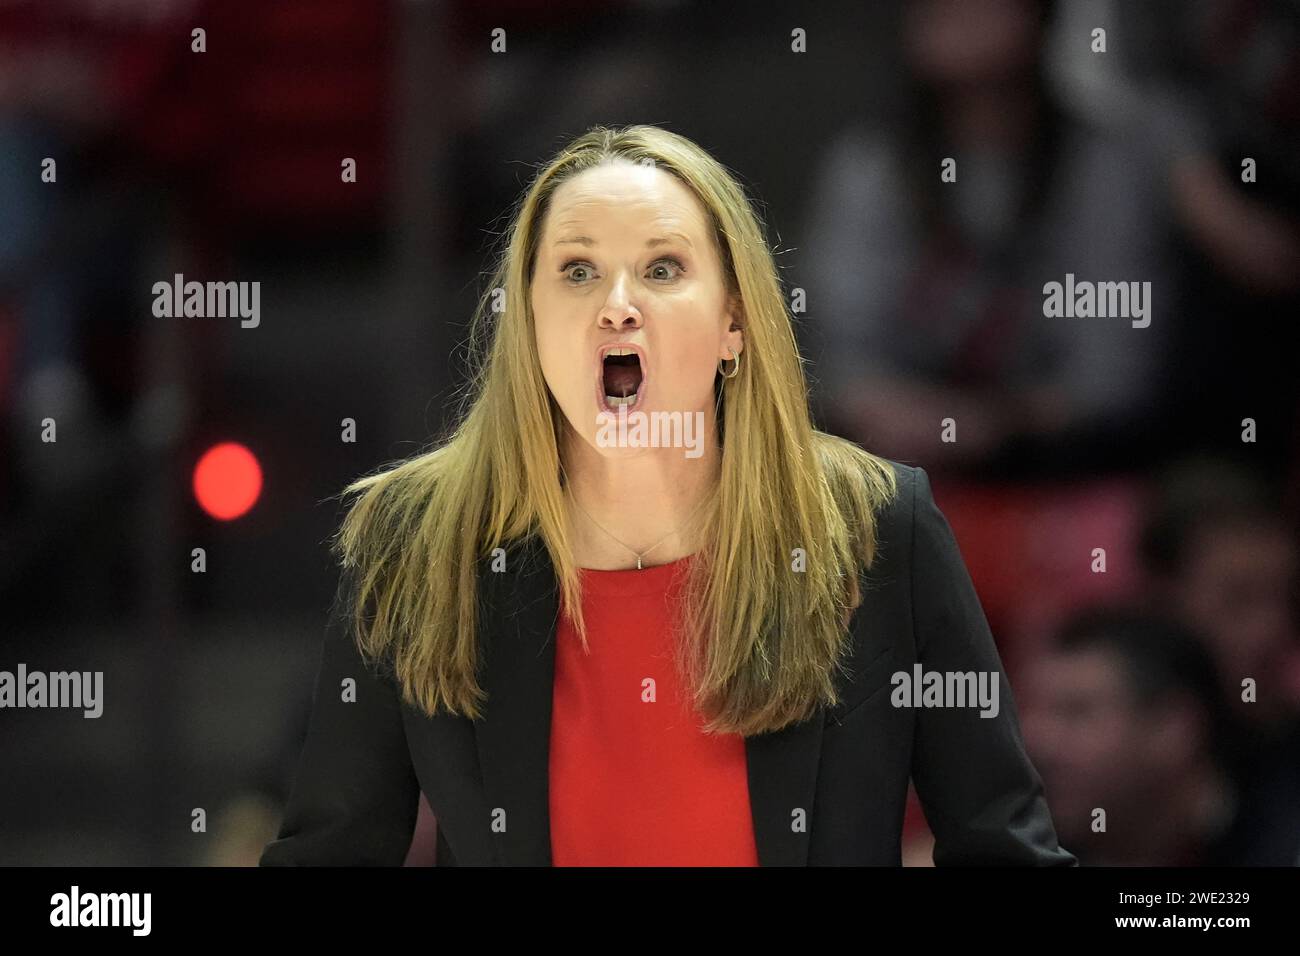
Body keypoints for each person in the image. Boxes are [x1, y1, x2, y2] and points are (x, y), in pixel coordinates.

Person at [258, 124, 1075, 867]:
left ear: (735, 324)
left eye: (662, 268)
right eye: (577, 271)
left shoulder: (874, 527)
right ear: (529, 321)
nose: (618, 306)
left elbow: (1003, 849)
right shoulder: (418, 539)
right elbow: (333, 854)